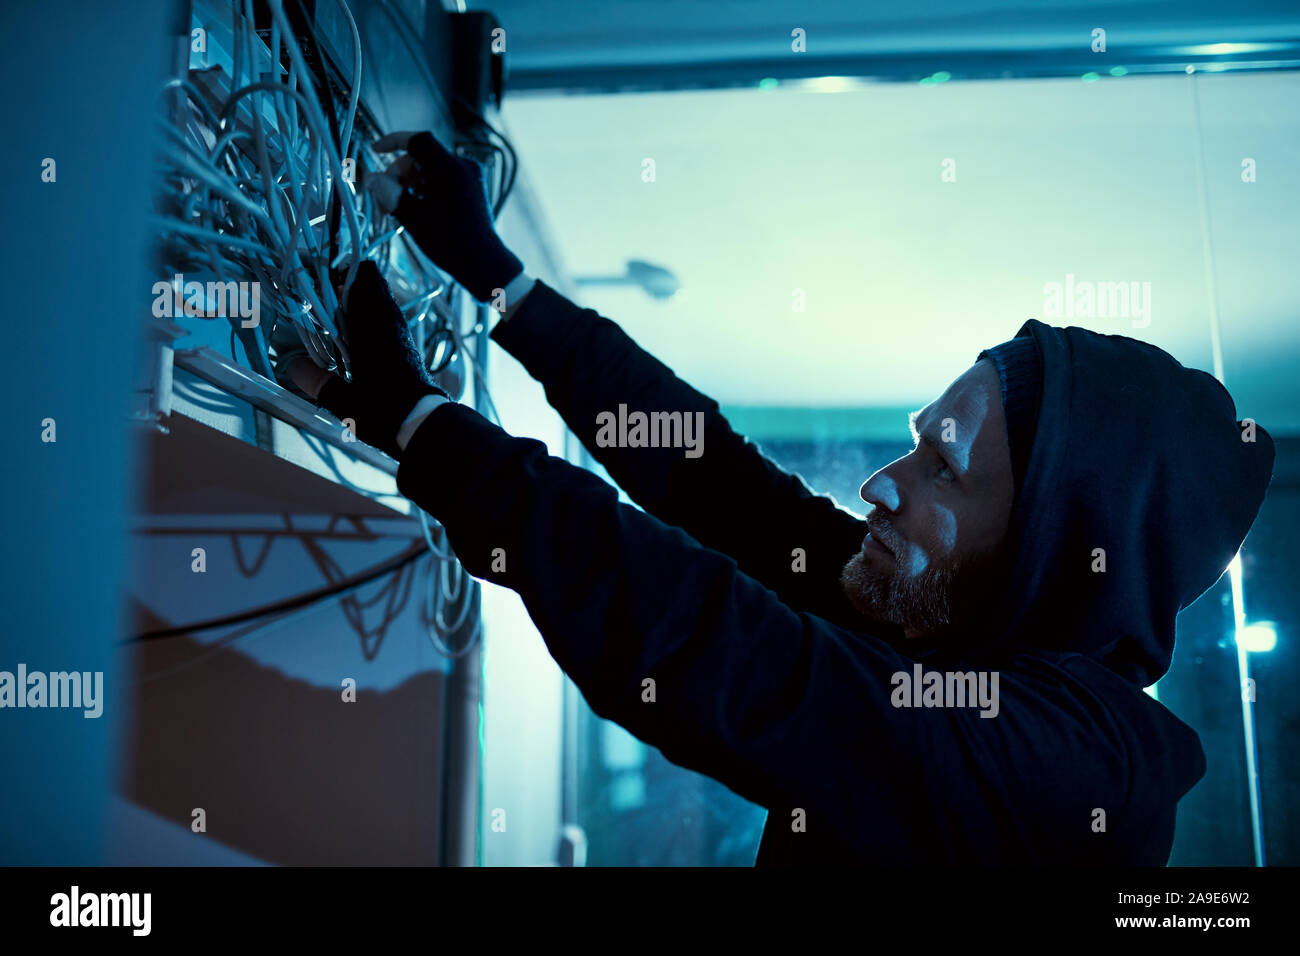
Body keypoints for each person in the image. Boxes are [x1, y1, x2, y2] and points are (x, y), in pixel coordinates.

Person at [280, 130, 1275, 865]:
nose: (880, 482)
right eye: (915, 444)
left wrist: (426, 427)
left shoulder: (1078, 769)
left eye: (943, 467)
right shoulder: (946, 630)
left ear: (1050, 553)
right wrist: (502, 281)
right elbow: (717, 481)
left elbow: (737, 657)